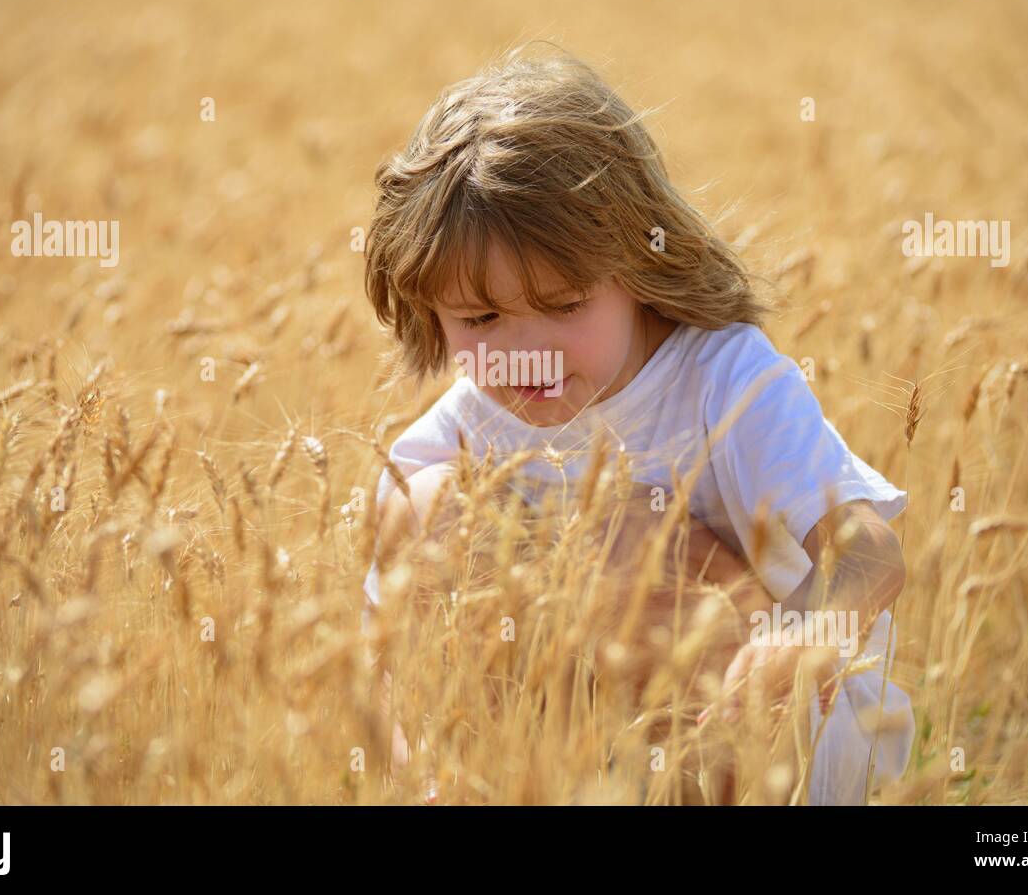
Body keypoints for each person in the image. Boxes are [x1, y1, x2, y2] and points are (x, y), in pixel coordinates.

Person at [360, 42, 915, 804]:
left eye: (563, 306)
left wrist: (808, 638)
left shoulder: (723, 378)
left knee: (629, 539)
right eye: (480, 318)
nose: (526, 355)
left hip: (785, 739)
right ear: (431, 313)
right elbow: (382, 657)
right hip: (600, 760)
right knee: (423, 508)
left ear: (637, 268)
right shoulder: (463, 426)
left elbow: (873, 552)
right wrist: (417, 773)